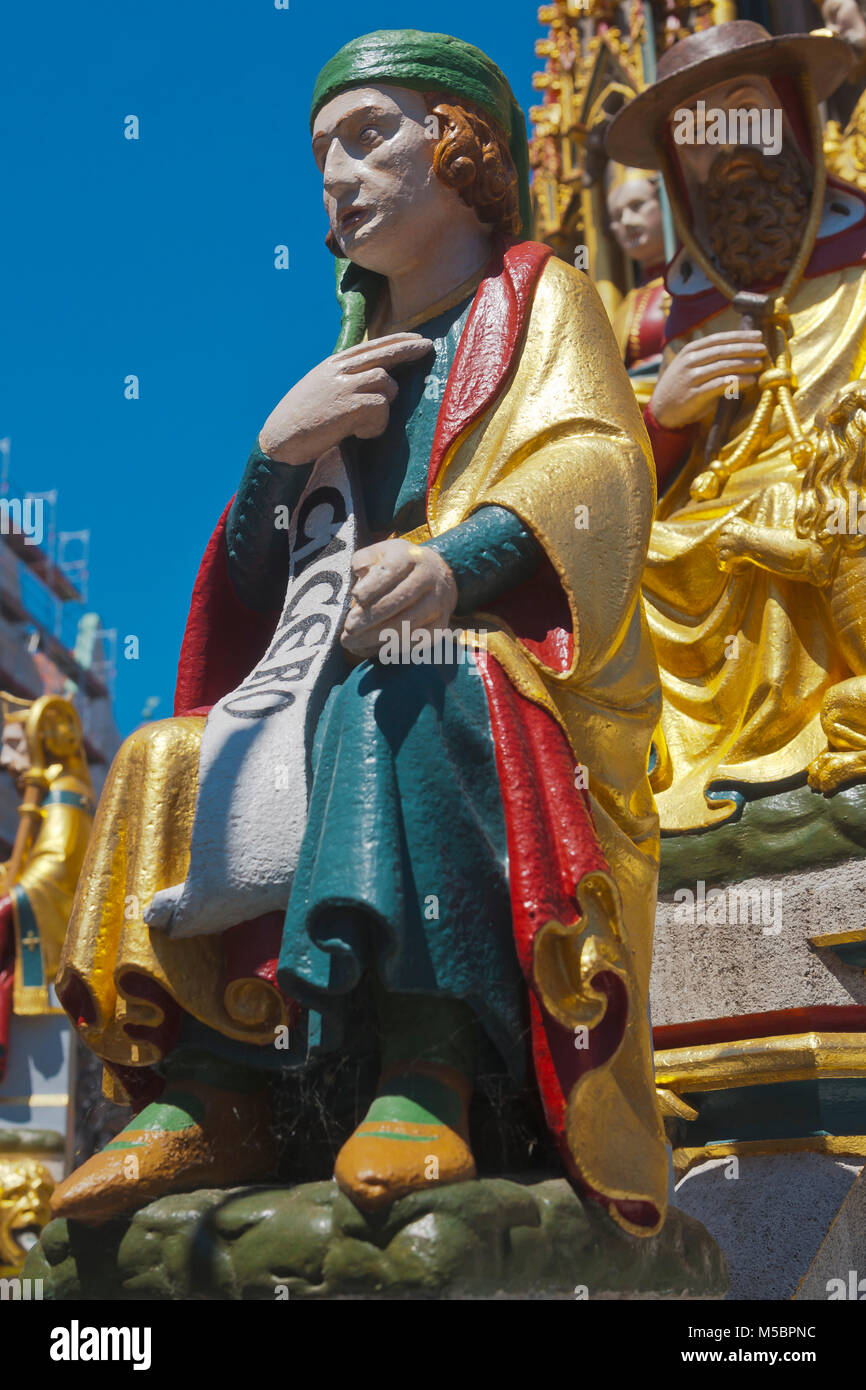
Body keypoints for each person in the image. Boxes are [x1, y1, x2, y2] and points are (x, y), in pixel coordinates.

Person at [51, 30, 667, 1235]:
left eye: (367, 136)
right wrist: (272, 453)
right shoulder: (345, 363)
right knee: (163, 760)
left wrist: (450, 565)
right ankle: (220, 1088)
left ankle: (429, 1063)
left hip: (508, 679)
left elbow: (595, 465)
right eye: (320, 152)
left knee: (415, 685)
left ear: (461, 147)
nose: (336, 173)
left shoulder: (546, 304)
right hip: (321, 687)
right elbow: (250, 590)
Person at [606, 18, 866, 832]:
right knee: (634, 559)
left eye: (742, 112)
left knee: (809, 525)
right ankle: (699, 789)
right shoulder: (685, 305)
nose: (725, 146)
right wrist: (668, 415)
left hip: (846, 480)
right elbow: (651, 468)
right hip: (727, 500)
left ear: (789, 116)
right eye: (697, 135)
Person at [605, 161, 669, 406]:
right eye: (617, 217)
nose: (627, 222)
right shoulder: (626, 305)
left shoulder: (697, 282)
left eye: (637, 206)